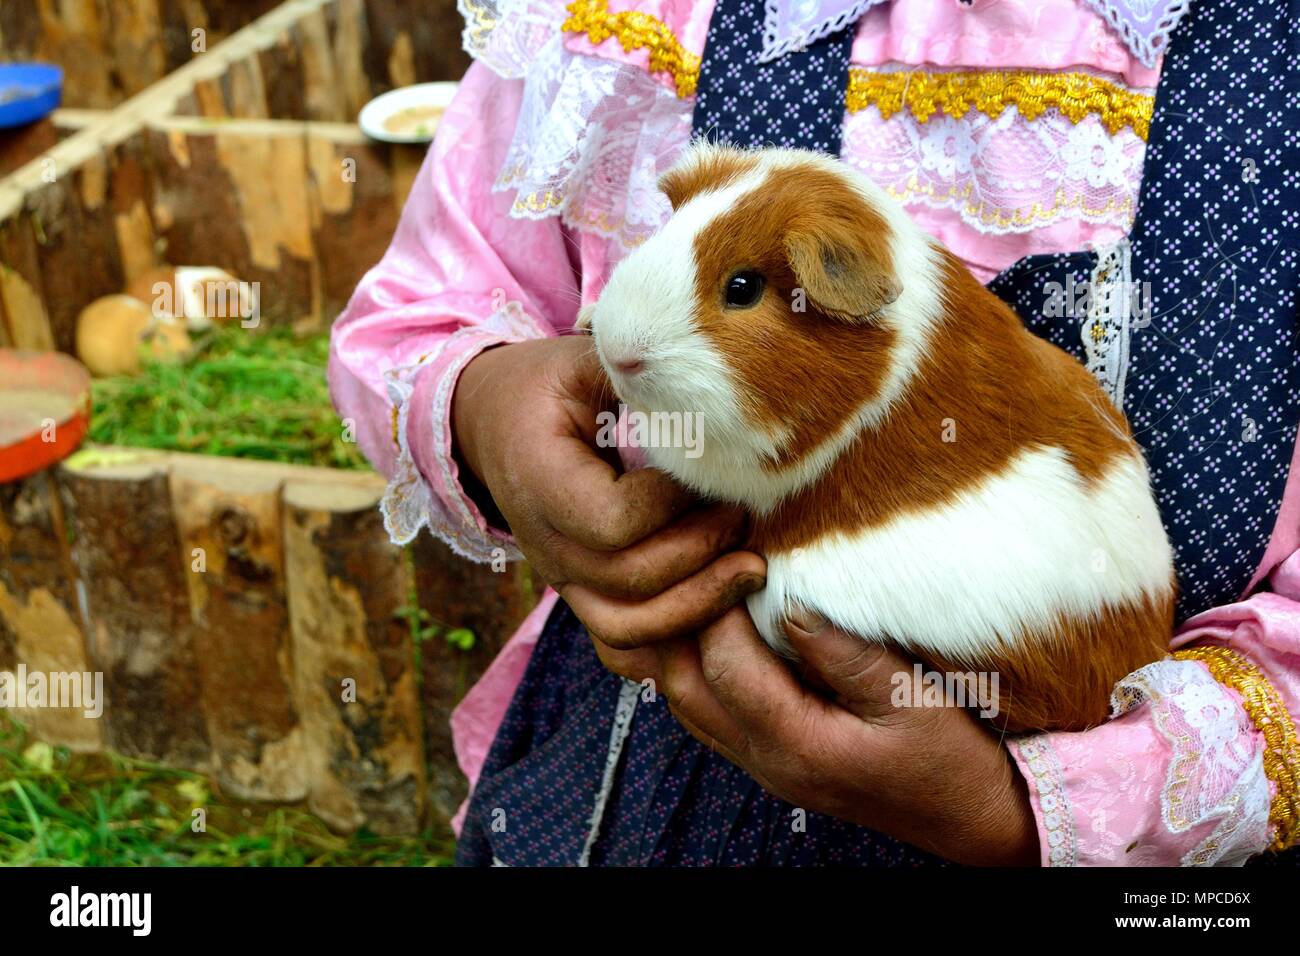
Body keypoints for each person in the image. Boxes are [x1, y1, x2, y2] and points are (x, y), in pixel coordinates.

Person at [329, 0, 1299, 865]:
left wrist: (1039, 810)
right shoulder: (626, 20)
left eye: (744, 293)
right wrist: (487, 405)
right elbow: (411, 316)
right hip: (645, 777)